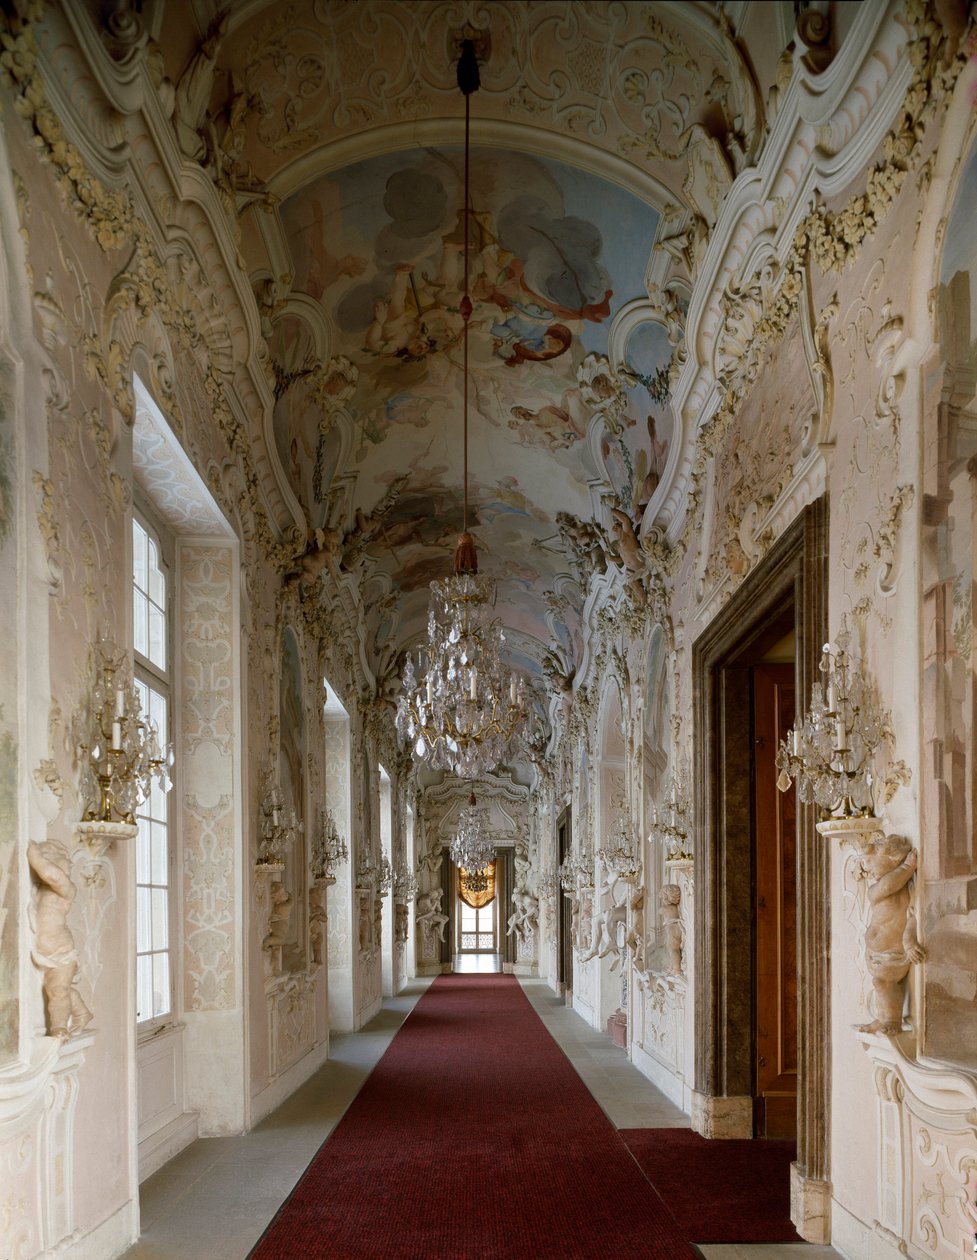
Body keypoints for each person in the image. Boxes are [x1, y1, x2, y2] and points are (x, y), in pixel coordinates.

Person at [856, 835, 924, 1034]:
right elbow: (887, 885)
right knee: (881, 983)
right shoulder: (875, 890)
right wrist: (906, 869)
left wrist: (907, 868)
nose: (868, 870)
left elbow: (913, 916)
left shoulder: (903, 889)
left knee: (883, 983)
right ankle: (884, 1018)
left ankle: (892, 1021)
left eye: (871, 862)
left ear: (891, 860)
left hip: (892, 954)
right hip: (876, 954)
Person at [27, 840, 93, 1038]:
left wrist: (35, 855)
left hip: (61, 952)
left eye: (56, 858)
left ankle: (59, 1028)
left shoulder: (65, 889)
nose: (51, 863)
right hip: (41, 954)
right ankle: (82, 1012)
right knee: (56, 990)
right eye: (47, 857)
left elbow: (52, 876)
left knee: (58, 991)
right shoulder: (39, 891)